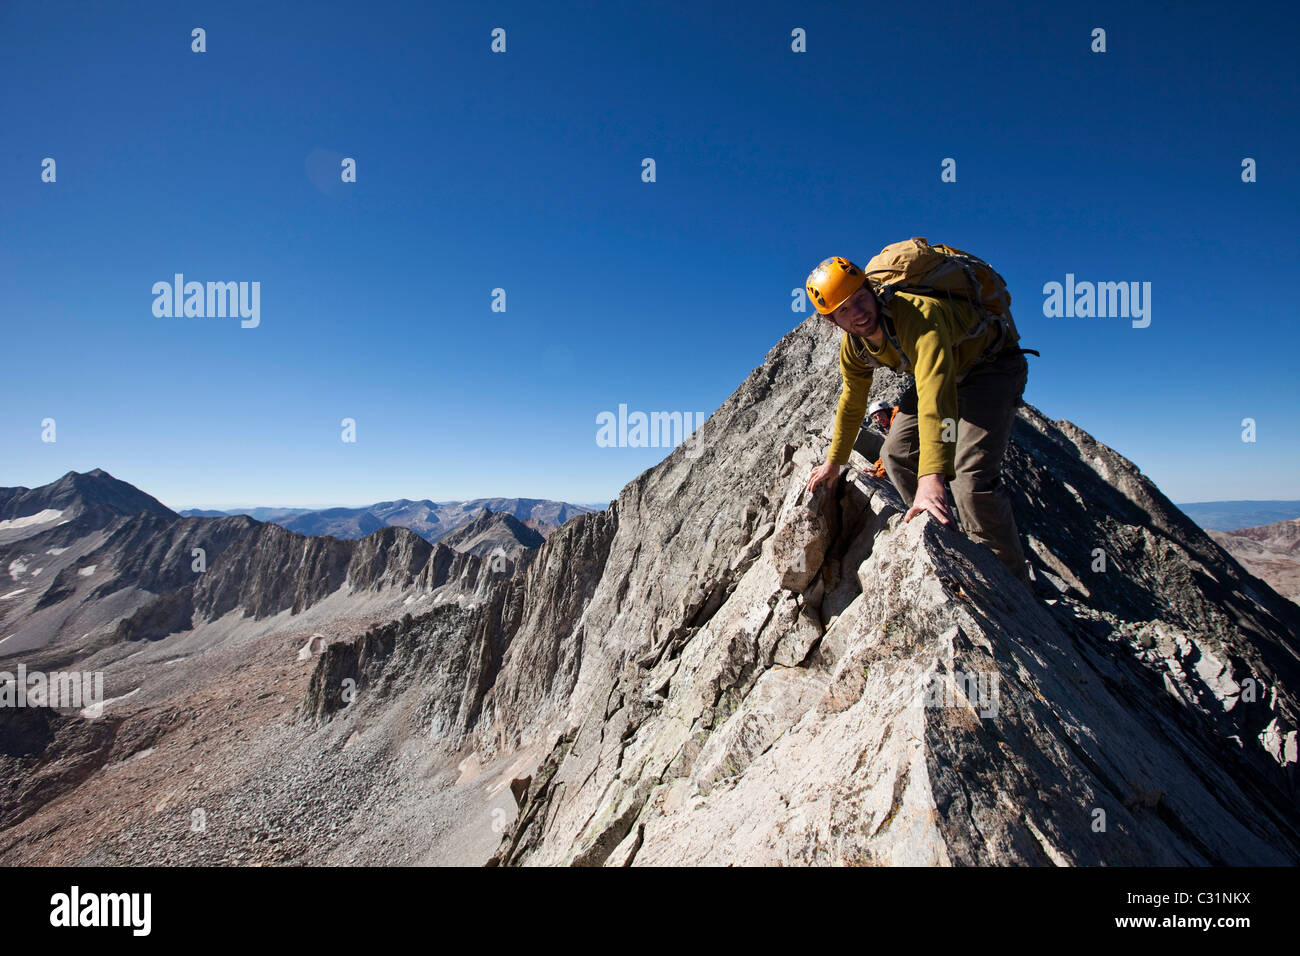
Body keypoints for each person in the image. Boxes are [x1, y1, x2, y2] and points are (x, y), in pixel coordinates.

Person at [803, 255, 1031, 584]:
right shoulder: (854, 347)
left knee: (969, 481)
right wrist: (834, 463)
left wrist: (932, 477)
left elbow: (935, 394)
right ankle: (941, 529)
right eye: (844, 311)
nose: (860, 314)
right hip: (942, 375)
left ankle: (1011, 586)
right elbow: (852, 402)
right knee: (894, 455)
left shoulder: (917, 314)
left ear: (871, 289)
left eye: (861, 299)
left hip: (990, 368)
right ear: (833, 321)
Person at [865, 400, 897, 479]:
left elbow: (894, 450)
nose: (878, 419)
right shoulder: (892, 428)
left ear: (887, 412)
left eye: (879, 415)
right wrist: (876, 468)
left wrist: (879, 474)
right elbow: (886, 451)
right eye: (875, 417)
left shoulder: (898, 422)